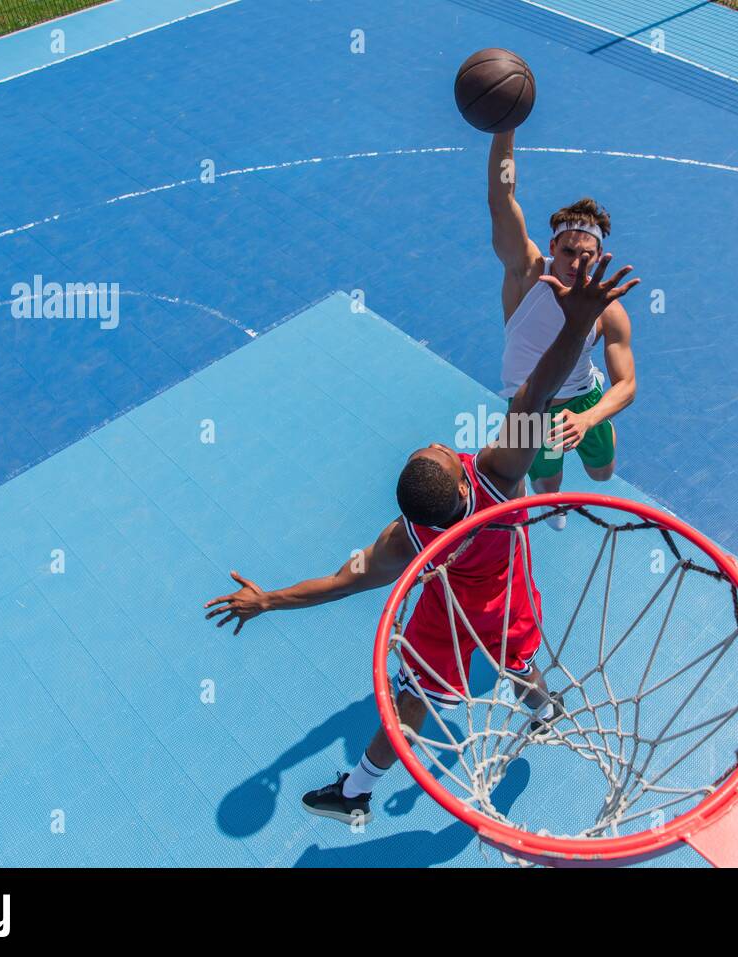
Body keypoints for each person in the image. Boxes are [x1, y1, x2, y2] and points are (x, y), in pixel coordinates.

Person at [204, 251, 640, 826]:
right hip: (510, 604)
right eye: (438, 451)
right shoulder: (498, 478)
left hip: (451, 624)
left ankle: (355, 790)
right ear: (461, 479)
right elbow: (536, 393)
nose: (436, 443)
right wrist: (580, 320)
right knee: (517, 658)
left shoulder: (406, 539)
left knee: (411, 703)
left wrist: (268, 600)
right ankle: (542, 706)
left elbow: (338, 585)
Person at [488, 129, 637, 528]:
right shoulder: (526, 274)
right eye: (568, 251)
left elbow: (628, 385)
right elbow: (502, 201)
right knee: (548, 482)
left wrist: (590, 419)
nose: (575, 262)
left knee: (602, 474)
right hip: (528, 405)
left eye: (586, 255)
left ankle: (595, 436)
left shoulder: (608, 309)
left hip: (584, 400)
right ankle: (553, 506)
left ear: (599, 256)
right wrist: (506, 129)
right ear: (552, 247)